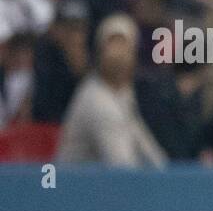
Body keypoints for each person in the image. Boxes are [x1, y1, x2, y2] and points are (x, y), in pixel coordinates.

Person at [55, 13, 166, 167]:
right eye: (113, 47)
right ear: (99, 53)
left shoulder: (123, 92)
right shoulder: (97, 101)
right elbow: (123, 169)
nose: (119, 56)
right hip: (74, 188)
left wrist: (167, 176)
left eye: (124, 48)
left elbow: (151, 153)